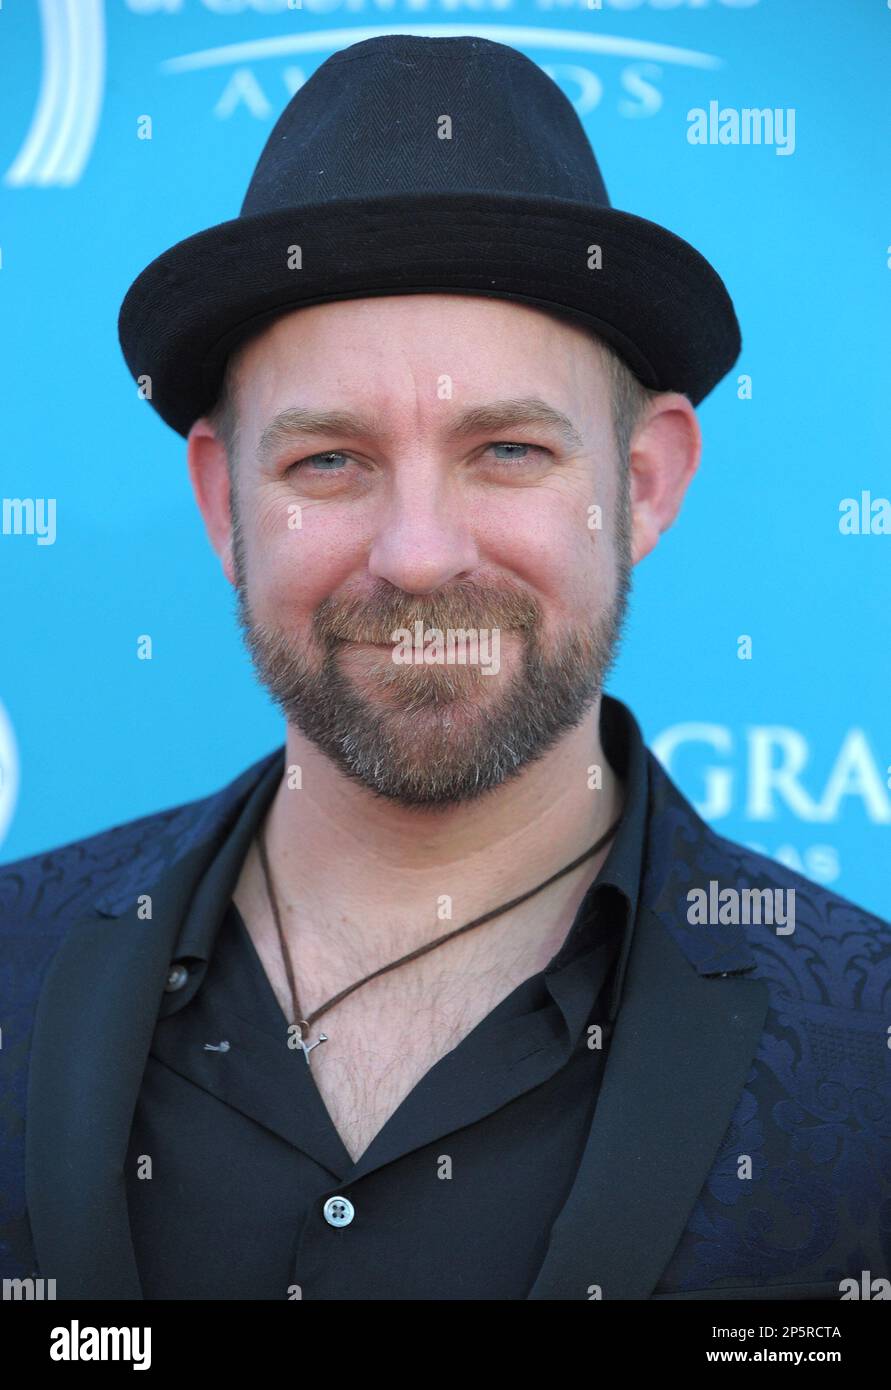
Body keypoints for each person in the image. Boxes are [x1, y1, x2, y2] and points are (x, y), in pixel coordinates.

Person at [2, 34, 889, 1303]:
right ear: (221, 502)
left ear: (643, 485)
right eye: (329, 462)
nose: (418, 557)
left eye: (510, 451)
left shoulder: (872, 1048)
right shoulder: (13, 963)